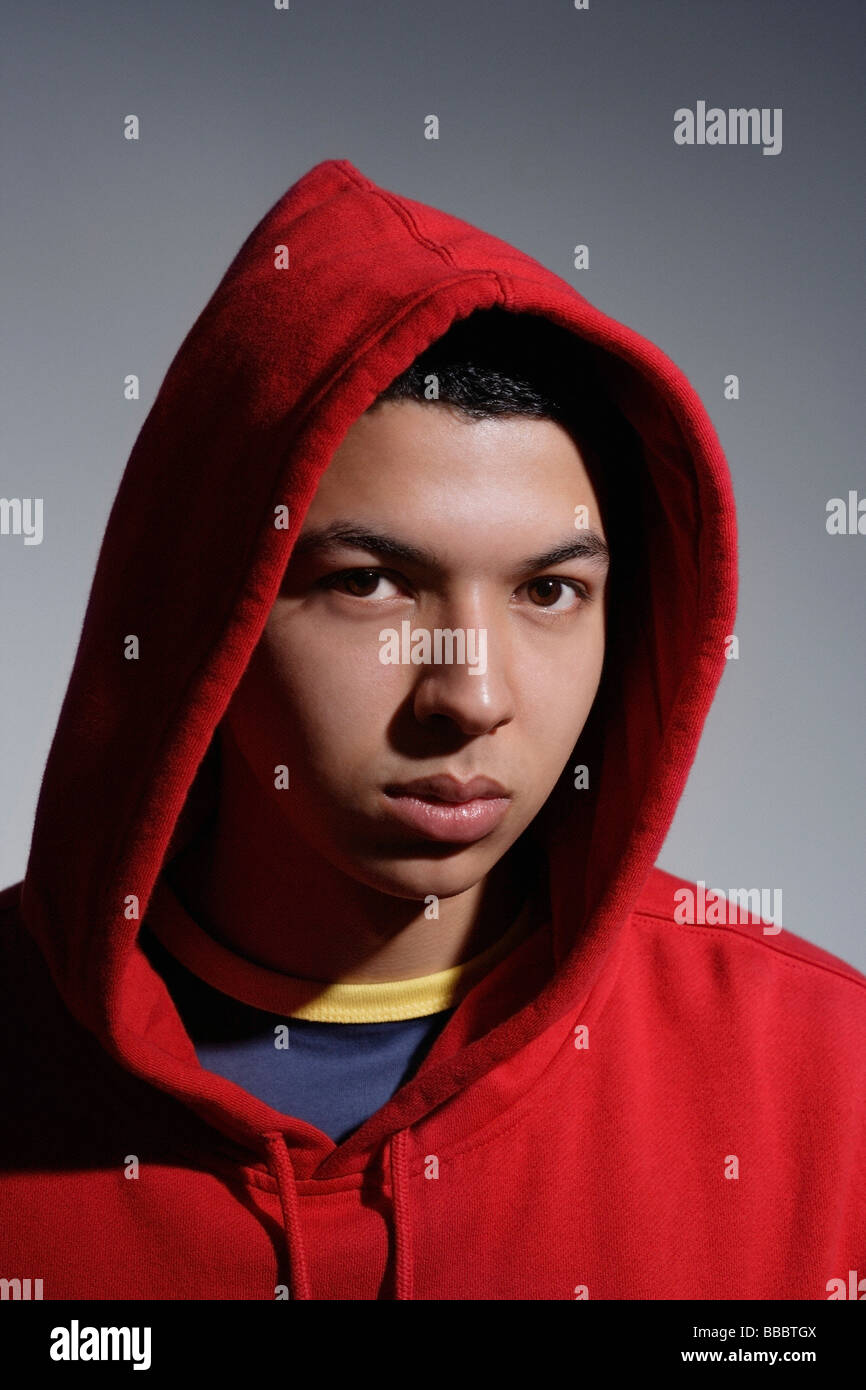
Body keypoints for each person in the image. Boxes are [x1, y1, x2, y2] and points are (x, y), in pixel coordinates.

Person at [1, 158, 863, 1301]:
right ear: (210, 601)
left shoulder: (820, 1075)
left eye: (547, 592)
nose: (470, 693)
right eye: (370, 584)